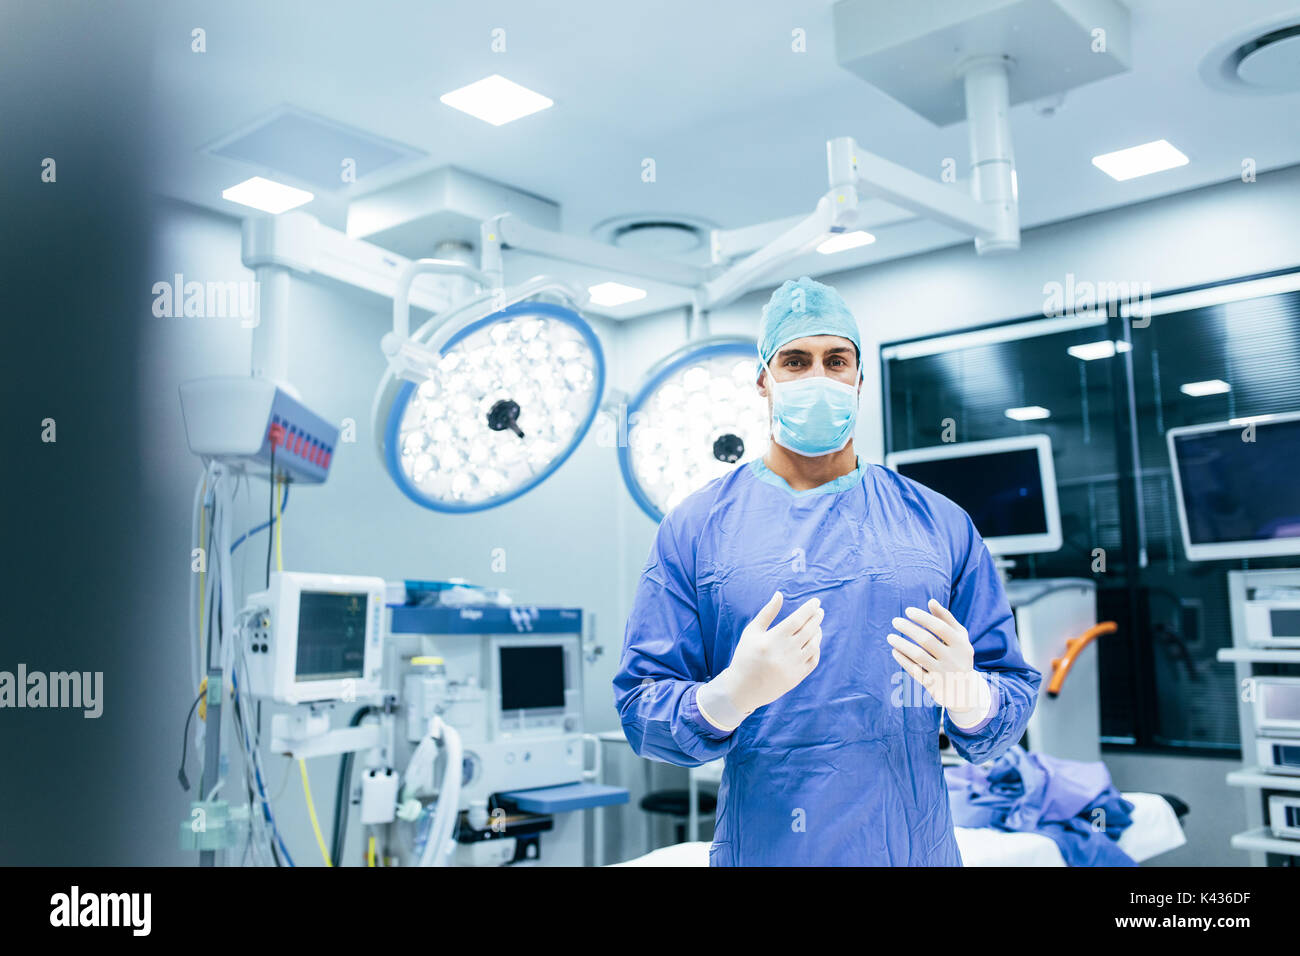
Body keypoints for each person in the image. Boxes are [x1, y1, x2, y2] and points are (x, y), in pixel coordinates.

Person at [613, 276, 1042, 866]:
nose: (818, 377)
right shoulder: (695, 528)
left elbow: (1010, 690)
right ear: (764, 380)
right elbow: (642, 705)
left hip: (909, 848)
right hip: (766, 850)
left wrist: (971, 700)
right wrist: (727, 698)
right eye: (796, 360)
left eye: (835, 360)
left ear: (859, 379)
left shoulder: (939, 524)